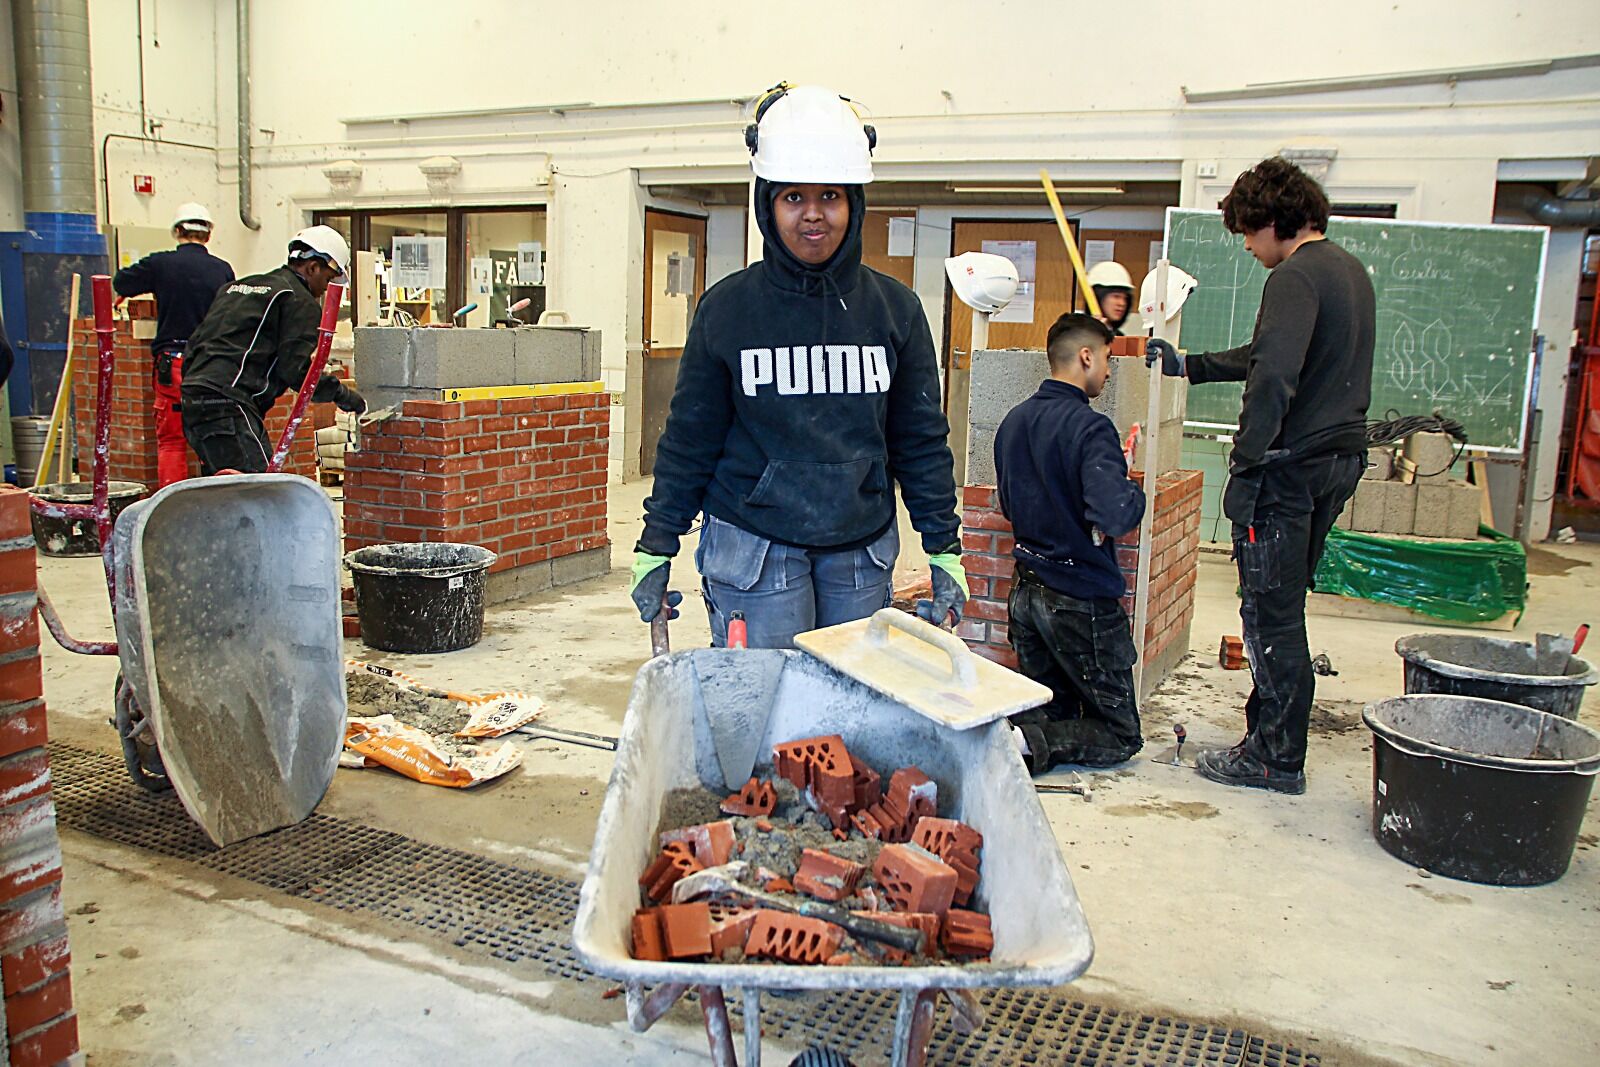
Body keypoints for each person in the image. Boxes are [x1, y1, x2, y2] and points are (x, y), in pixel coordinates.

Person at [629, 84, 965, 649]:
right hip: (754, 544)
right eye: (793, 198)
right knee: (765, 705)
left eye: (830, 195)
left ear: (854, 203)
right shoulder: (729, 308)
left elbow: (920, 439)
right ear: (768, 203)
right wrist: (657, 542)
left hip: (859, 544)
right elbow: (691, 436)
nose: (813, 215)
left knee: (848, 706)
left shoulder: (895, 309)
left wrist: (943, 546)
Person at [1147, 156, 1373, 794]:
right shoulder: (1349, 273)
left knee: (1269, 616)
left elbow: (1274, 377)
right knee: (1285, 605)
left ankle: (1274, 757)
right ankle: (1273, 741)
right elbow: (1266, 354)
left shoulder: (1296, 277)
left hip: (1290, 469)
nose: (1247, 246)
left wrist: (1245, 469)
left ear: (1275, 220)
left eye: (1249, 232)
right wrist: (1192, 366)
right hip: (1337, 460)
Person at [997, 313, 1145, 774]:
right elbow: (1116, 515)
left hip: (1026, 596)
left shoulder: (1014, 421)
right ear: (1085, 356)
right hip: (1079, 602)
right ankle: (1027, 743)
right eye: (1105, 360)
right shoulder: (1091, 428)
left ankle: (1027, 735)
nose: (1107, 370)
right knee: (1121, 733)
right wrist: (1130, 487)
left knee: (1054, 706)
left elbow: (1008, 504)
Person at [180, 226, 365, 475]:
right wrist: (343, 395)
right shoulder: (297, 299)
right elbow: (298, 372)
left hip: (194, 400)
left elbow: (195, 344)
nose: (325, 289)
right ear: (312, 268)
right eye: (328, 279)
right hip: (228, 404)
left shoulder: (237, 288)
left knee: (224, 493)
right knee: (261, 493)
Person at [113, 202, 236, 486]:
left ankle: (171, 510)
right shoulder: (222, 270)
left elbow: (123, 282)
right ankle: (218, 504)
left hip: (175, 363)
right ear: (208, 234)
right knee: (213, 440)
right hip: (212, 366)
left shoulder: (161, 264)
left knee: (172, 442)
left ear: (178, 230)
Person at [1086, 260, 1135, 335]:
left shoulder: (1120, 336)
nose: (1122, 303)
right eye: (1116, 296)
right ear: (1098, 297)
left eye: (1125, 298)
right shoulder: (1077, 334)